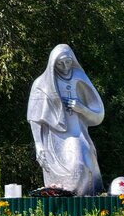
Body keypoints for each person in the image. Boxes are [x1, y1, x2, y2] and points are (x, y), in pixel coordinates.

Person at [27, 44, 104, 196]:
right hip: (53, 137)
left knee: (85, 163)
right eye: (60, 63)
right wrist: (39, 145)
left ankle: (89, 204)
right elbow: (35, 118)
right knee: (77, 167)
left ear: (73, 60)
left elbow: (98, 113)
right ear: (53, 63)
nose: (65, 66)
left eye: (68, 61)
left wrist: (81, 108)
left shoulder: (79, 78)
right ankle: (66, 201)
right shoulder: (41, 84)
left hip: (76, 132)